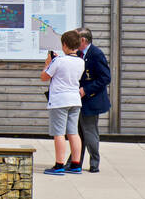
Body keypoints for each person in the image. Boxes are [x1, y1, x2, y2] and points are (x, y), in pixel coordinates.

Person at [41, 30, 86, 175]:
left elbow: (44, 77)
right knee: (73, 132)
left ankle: (59, 165)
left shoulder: (58, 61)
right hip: (75, 99)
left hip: (59, 100)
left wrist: (47, 63)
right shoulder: (80, 61)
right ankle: (76, 164)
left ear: (64, 45)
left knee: (59, 133)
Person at [76, 27, 110, 173]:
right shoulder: (78, 54)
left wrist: (86, 89)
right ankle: (76, 161)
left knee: (89, 132)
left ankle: (94, 163)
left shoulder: (96, 54)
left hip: (91, 100)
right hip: (78, 100)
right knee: (77, 133)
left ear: (83, 40)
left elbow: (105, 77)